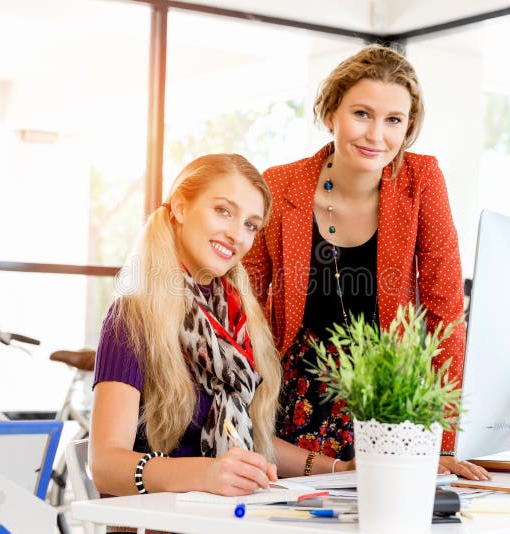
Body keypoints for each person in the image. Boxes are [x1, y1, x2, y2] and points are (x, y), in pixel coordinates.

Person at [243, 45, 489, 481]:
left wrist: (443, 442)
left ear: (408, 126)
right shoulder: (280, 185)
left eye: (393, 120)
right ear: (330, 113)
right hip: (292, 408)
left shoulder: (422, 180)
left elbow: (444, 313)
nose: (377, 135)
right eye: (361, 114)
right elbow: (244, 301)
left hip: (389, 407)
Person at [90, 154, 350, 501]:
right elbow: (105, 465)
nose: (236, 234)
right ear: (181, 207)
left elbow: (252, 438)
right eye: (223, 211)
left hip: (226, 517)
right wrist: (206, 473)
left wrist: (340, 470)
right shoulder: (134, 316)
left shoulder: (240, 322)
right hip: (157, 522)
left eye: (251, 225)